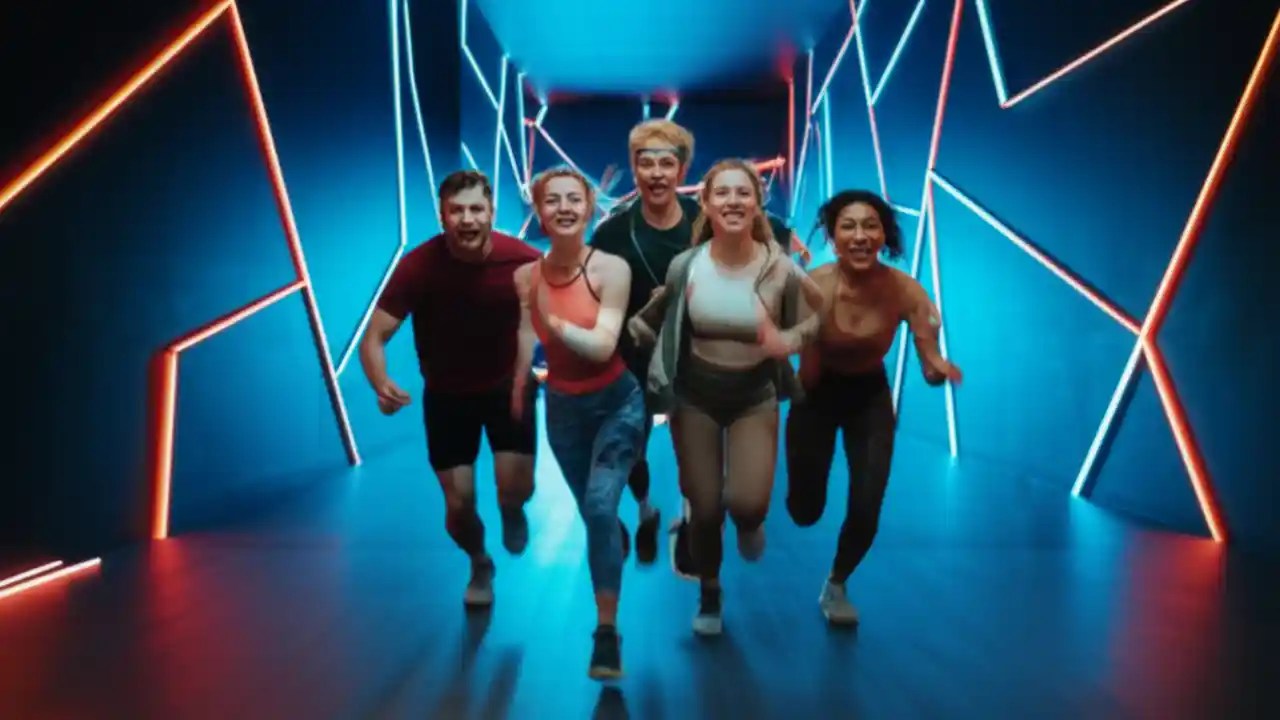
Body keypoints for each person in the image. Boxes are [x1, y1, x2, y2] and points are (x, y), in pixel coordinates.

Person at [590, 119, 810, 570]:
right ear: (635, 168)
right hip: (634, 360)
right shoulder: (612, 234)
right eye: (645, 163)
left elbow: (775, 240)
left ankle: (696, 518)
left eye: (666, 163)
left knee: (699, 461)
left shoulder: (709, 218)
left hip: (698, 361)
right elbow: (591, 292)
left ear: (682, 169)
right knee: (629, 450)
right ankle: (647, 508)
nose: (656, 173)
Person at [627, 159, 823, 636]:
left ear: (757, 203)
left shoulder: (779, 267)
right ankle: (709, 592)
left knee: (747, 505)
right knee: (705, 506)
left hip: (754, 396)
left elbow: (814, 319)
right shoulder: (686, 265)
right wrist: (640, 333)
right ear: (707, 204)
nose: (733, 201)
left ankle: (751, 523)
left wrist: (786, 341)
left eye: (743, 192)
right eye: (723, 193)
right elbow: (655, 314)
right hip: (694, 397)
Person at [359, 170, 540, 610]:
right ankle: (479, 561)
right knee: (459, 508)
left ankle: (512, 510)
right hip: (447, 397)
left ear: (492, 212)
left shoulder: (524, 260)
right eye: (456, 211)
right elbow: (373, 338)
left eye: (476, 209)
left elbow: (565, 309)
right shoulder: (418, 266)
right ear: (442, 216)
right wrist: (381, 383)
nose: (467, 219)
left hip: (508, 388)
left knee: (514, 490)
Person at [785, 189, 963, 626]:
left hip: (869, 397)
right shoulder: (813, 287)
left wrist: (940, 369)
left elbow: (929, 363)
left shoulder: (906, 290)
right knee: (804, 511)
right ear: (833, 239)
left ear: (884, 235)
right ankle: (801, 497)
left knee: (867, 505)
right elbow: (803, 367)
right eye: (849, 226)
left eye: (871, 226)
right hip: (816, 396)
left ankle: (836, 583)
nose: (861, 235)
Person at [512, 166, 645, 679]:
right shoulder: (525, 277)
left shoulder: (611, 269)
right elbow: (526, 334)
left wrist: (554, 319)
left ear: (589, 208)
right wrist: (519, 385)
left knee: (598, 504)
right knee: (597, 515)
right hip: (563, 411)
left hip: (618, 404)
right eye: (553, 200)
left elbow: (603, 345)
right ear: (539, 211)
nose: (564, 208)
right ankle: (611, 531)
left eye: (574, 199)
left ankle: (606, 634)